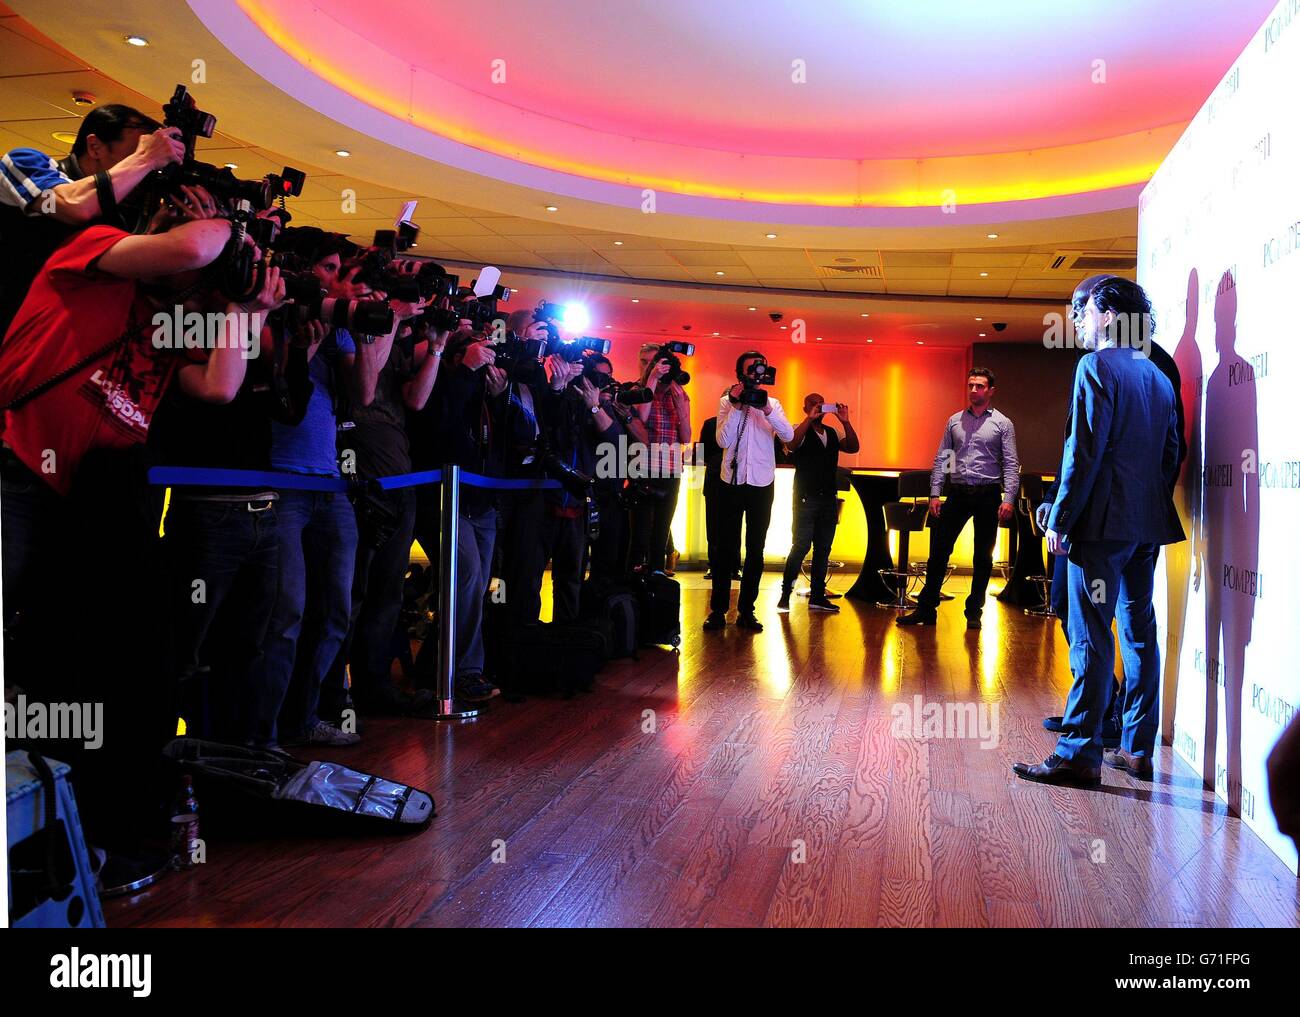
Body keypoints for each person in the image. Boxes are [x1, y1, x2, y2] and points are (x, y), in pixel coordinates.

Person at [1013, 278, 1184, 787]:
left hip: (1101, 526)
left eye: (1084, 312)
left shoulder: (1096, 367)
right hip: (1146, 525)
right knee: (1138, 633)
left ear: (1107, 313)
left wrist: (1060, 519)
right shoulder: (1155, 376)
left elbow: (1083, 453)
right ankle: (1137, 749)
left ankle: (1078, 754)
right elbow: (1169, 455)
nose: (1080, 323)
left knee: (1090, 637)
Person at [1, 105, 185, 337]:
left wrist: (162, 226)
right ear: (95, 147)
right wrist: (146, 158)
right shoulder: (25, 162)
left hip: (53, 341)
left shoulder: (125, 211)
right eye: (135, 152)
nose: (144, 171)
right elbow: (73, 206)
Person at [897, 368, 1019, 630]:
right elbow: (944, 457)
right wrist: (935, 493)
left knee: (982, 557)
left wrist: (1008, 498)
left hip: (988, 494)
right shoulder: (954, 421)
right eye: (971, 385)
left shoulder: (1002, 423)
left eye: (980, 386)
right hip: (958, 492)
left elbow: (1010, 463)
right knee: (939, 552)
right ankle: (927, 609)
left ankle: (974, 611)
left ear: (991, 391)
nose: (974, 390)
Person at [705, 351, 794, 633]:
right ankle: (718, 611)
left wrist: (766, 409)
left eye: (760, 370)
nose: (756, 375)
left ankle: (747, 610)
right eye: (750, 370)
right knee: (724, 549)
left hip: (761, 484)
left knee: (756, 549)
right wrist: (736, 405)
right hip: (730, 482)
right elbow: (722, 439)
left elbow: (789, 436)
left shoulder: (774, 403)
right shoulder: (726, 403)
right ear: (740, 374)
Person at [779, 394, 859, 613]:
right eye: (813, 404)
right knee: (801, 546)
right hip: (806, 496)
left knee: (823, 549)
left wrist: (845, 421)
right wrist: (808, 419)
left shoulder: (831, 432)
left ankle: (817, 596)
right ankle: (785, 594)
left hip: (828, 498)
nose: (818, 407)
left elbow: (853, 447)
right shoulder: (799, 428)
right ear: (805, 407)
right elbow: (792, 444)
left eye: (821, 404)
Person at [629, 342, 691, 574]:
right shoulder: (636, 390)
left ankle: (656, 582)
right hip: (642, 468)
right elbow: (641, 419)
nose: (650, 367)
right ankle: (634, 585)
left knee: (661, 533)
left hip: (671, 469)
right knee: (640, 533)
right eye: (645, 362)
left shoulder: (679, 394)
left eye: (654, 363)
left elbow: (686, 435)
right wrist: (652, 381)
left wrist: (681, 408)